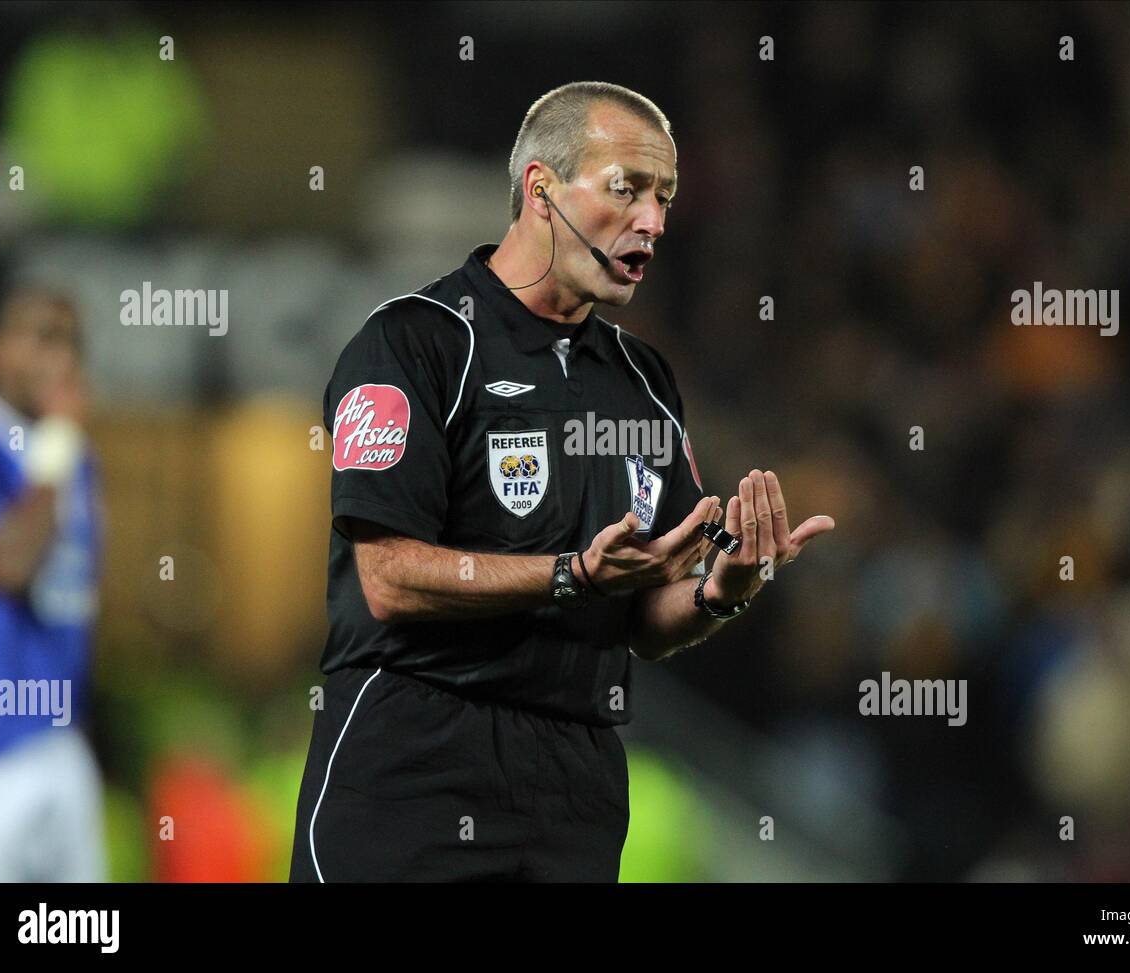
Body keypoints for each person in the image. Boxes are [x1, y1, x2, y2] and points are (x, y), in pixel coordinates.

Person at [290, 81, 834, 882]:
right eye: (627, 188)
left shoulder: (643, 382)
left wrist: (724, 588)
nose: (652, 220)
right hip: (412, 765)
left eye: (665, 197)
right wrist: (569, 575)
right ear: (541, 189)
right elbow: (389, 576)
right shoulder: (414, 346)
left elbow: (646, 617)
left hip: (574, 782)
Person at [0, 287, 105, 881]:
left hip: (61, 740)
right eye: (42, 337)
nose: (61, 359)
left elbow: (76, 600)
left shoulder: (74, 456)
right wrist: (54, 453)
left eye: (71, 341)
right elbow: (6, 566)